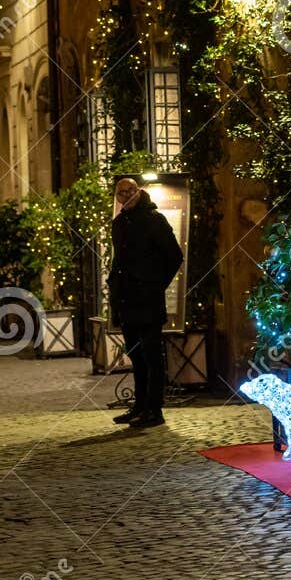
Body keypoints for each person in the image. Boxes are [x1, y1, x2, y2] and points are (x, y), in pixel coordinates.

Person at [107, 176, 183, 429]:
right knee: (136, 356)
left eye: (130, 190)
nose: (126, 195)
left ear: (138, 192)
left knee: (152, 356)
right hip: (126, 300)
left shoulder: (154, 220)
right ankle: (140, 406)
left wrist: (155, 284)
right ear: (116, 197)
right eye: (121, 192)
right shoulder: (118, 223)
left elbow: (174, 256)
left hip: (147, 300)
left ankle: (154, 409)